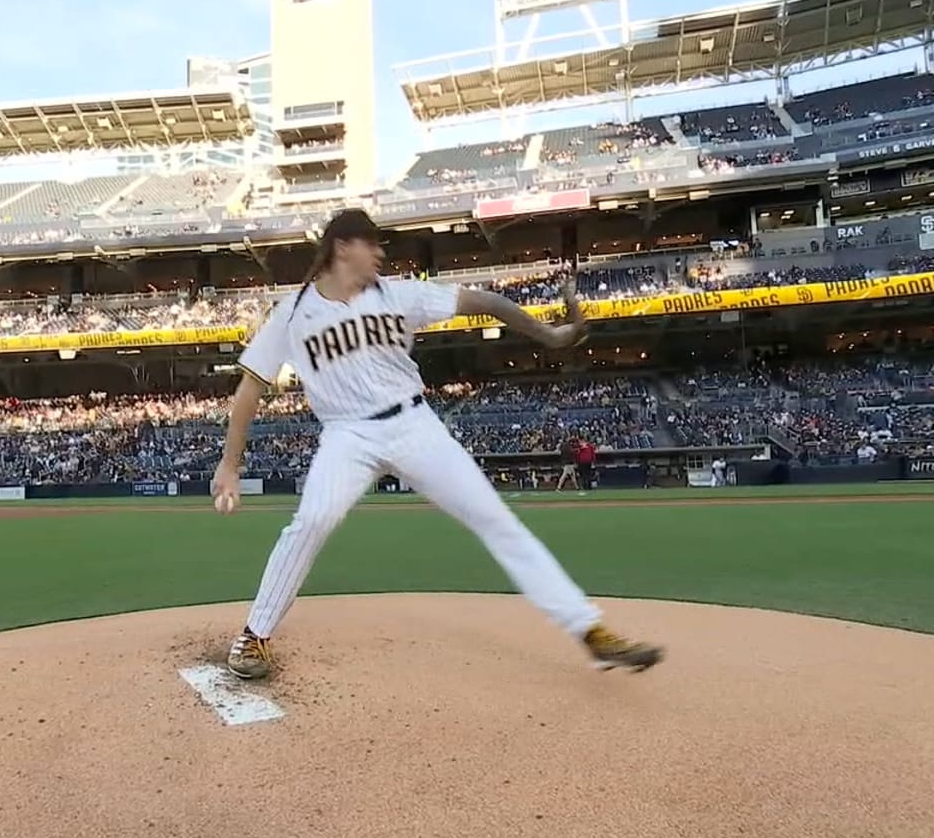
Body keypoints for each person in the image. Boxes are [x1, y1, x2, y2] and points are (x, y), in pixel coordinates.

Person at [210, 209, 663, 680]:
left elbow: (484, 302)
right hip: (347, 434)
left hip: (414, 425)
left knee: (494, 517)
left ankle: (590, 630)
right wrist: (230, 464)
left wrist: (547, 334)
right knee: (313, 519)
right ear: (343, 247)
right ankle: (255, 635)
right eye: (373, 245)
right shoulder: (293, 312)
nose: (381, 254)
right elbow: (250, 387)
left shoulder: (400, 295)